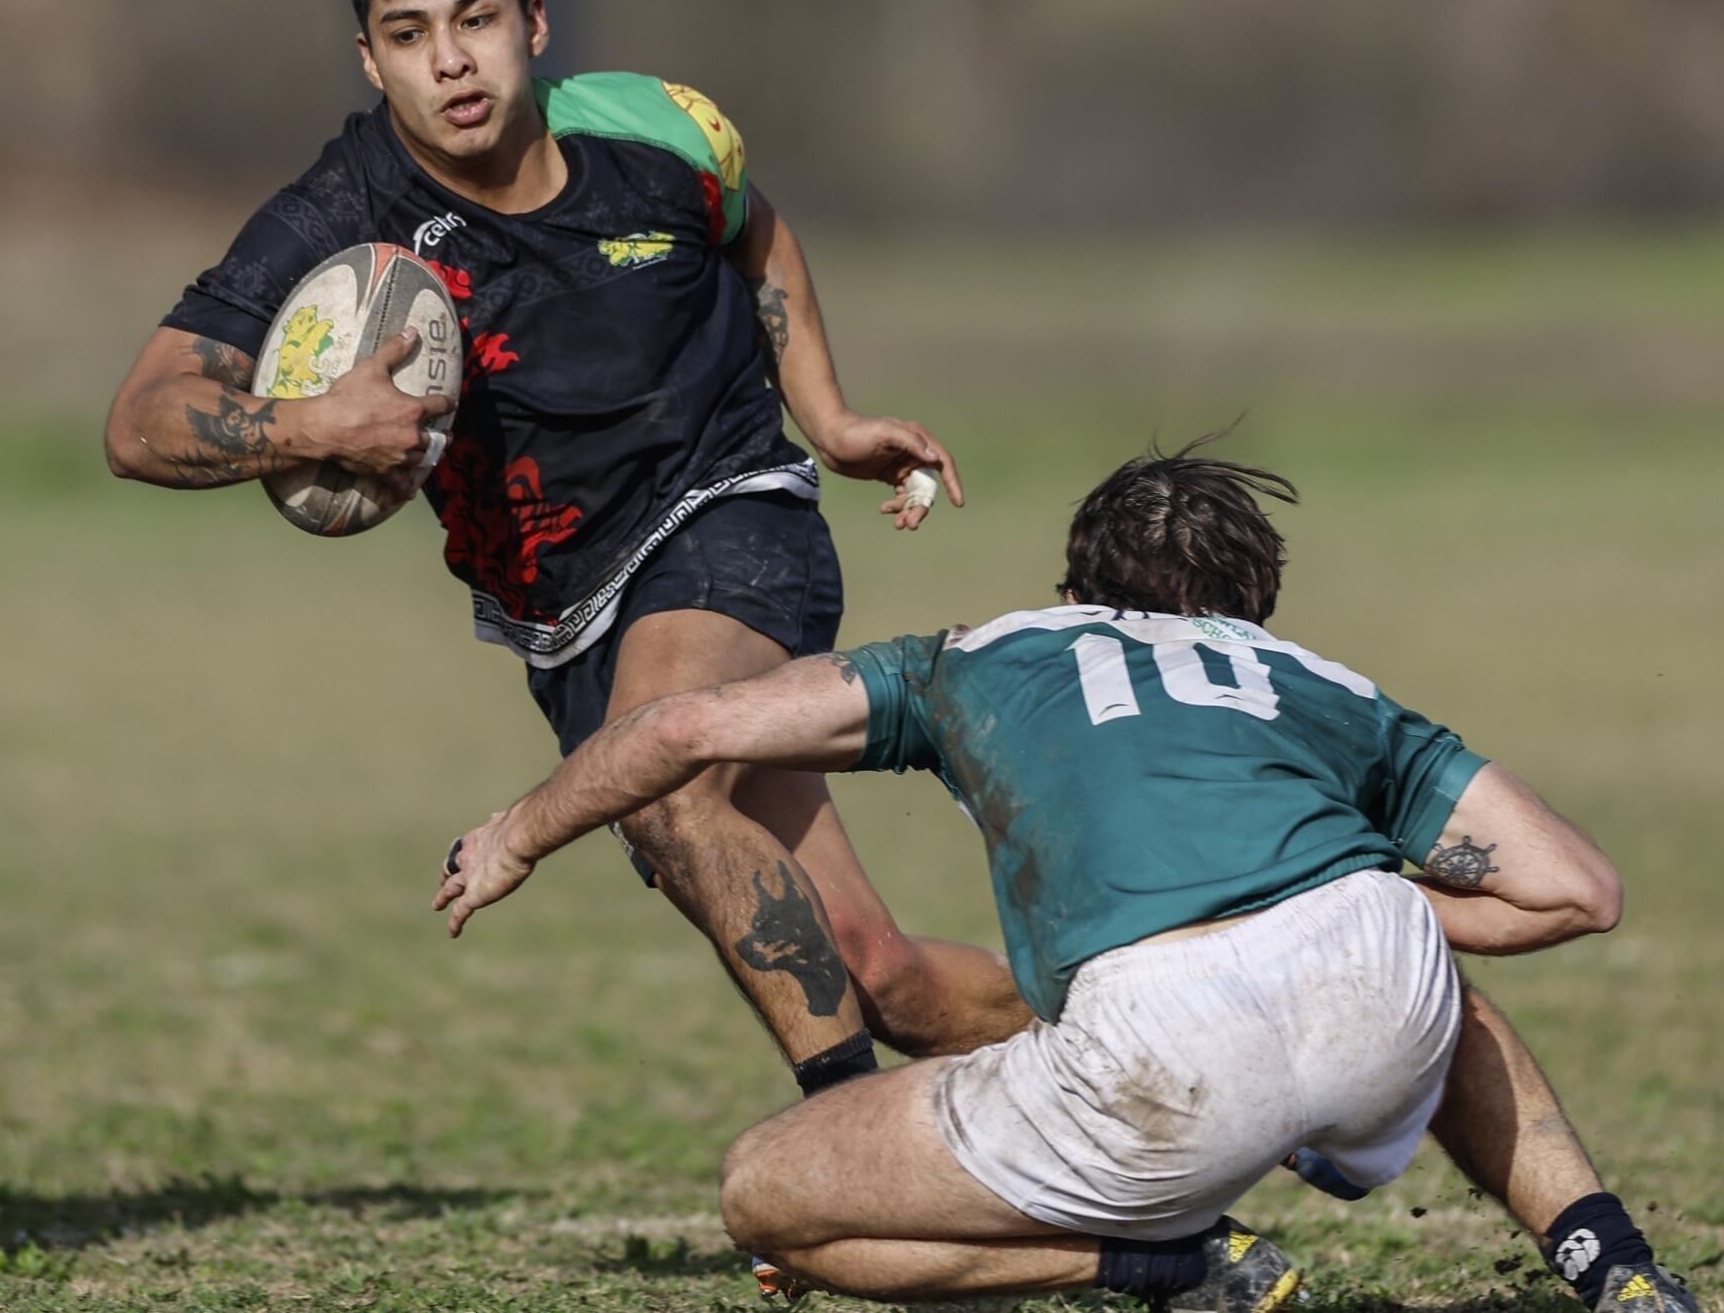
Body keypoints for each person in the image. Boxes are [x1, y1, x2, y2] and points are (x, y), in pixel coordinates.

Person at [106, 0, 1026, 1102]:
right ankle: (1166, 1034)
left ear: (532, 23)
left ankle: (844, 1142)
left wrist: (827, 415)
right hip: (567, 617)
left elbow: (752, 231)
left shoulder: (654, 131)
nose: (449, 61)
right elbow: (140, 420)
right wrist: (310, 424)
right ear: (369, 62)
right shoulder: (340, 214)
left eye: (475, 19)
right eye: (407, 35)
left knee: (667, 788)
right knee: (877, 974)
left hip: (727, 513)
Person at [436, 446, 1701, 1313]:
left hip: (1158, 1056)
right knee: (1416, 962)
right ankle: (1613, 1268)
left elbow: (678, 731)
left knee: (766, 1196)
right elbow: (1575, 891)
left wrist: (516, 836)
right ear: (1252, 604)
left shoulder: (980, 656)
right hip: (1370, 983)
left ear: (1072, 585)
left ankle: (1169, 1268)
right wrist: (1337, 886)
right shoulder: (1316, 681)